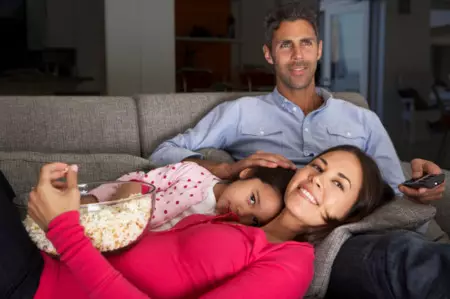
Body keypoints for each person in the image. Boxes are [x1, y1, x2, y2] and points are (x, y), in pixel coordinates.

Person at [1, 145, 394, 299]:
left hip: (44, 289)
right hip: (51, 262)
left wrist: (65, 230)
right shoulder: (235, 220)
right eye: (319, 166)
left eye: (337, 184)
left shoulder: (291, 263)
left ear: (347, 216)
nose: (316, 180)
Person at [150, 3, 444, 205]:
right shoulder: (240, 112)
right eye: (285, 45)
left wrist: (418, 181)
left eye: (306, 43)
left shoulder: (363, 119)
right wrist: (226, 170)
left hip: (355, 224)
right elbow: (164, 152)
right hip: (287, 222)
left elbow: (396, 191)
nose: (298, 56)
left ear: (319, 49)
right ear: (269, 54)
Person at [84, 162, 296, 230]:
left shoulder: (222, 227)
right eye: (252, 199)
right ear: (247, 173)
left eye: (254, 220)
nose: (243, 213)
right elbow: (144, 182)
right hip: (121, 201)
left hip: (139, 242)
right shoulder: (193, 173)